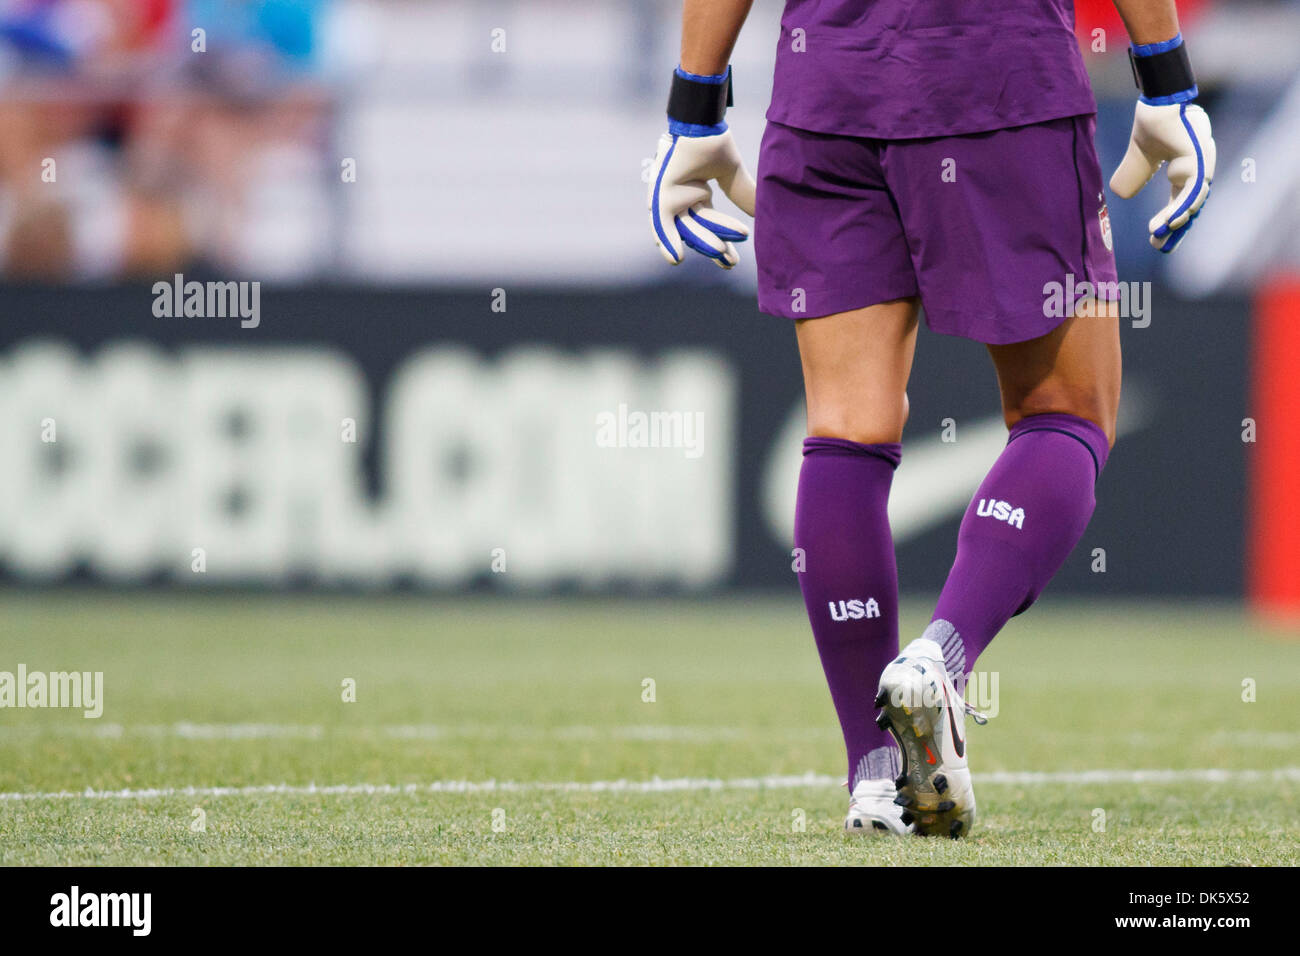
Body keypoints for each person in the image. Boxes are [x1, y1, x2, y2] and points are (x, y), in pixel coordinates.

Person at [646, 0, 1215, 837]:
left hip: (828, 85)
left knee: (845, 424)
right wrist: (1164, 75)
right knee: (1068, 408)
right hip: (996, 73)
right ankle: (941, 661)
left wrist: (695, 103)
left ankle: (874, 776)